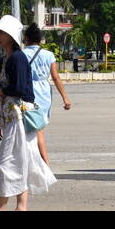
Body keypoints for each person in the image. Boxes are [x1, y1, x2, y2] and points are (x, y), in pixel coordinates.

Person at [0, 15, 56, 210]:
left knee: (7, 161)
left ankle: (3, 206)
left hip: (18, 116)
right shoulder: (6, 59)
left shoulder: (17, 58)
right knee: (21, 160)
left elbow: (20, 89)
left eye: (1, 32)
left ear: (11, 36)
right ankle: (21, 206)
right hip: (10, 116)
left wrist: (1, 91)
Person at [23, 24, 71, 166]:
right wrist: (65, 97)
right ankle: (40, 161)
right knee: (39, 127)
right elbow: (56, 77)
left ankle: (44, 162)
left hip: (29, 90)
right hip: (44, 91)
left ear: (26, 39)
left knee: (34, 130)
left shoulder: (22, 54)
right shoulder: (48, 55)